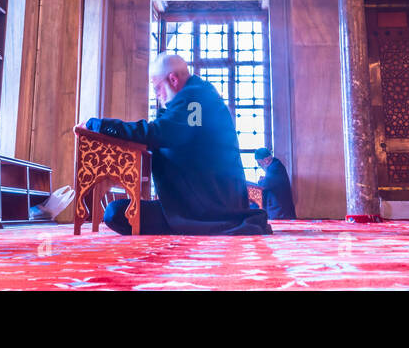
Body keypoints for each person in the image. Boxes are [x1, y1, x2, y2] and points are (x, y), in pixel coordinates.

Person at [82, 54, 271, 236]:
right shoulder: (197, 96)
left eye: (157, 88)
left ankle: (192, 227)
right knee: (119, 212)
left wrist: (100, 125)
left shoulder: (195, 100)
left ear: (172, 79)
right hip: (206, 202)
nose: (157, 96)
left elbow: (160, 132)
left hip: (209, 208)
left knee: (115, 213)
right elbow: (168, 131)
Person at [254, 147, 297, 220]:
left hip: (280, 210)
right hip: (279, 209)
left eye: (259, 163)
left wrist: (260, 181)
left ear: (266, 160)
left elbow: (265, 184)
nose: (260, 165)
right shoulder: (275, 165)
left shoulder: (275, 168)